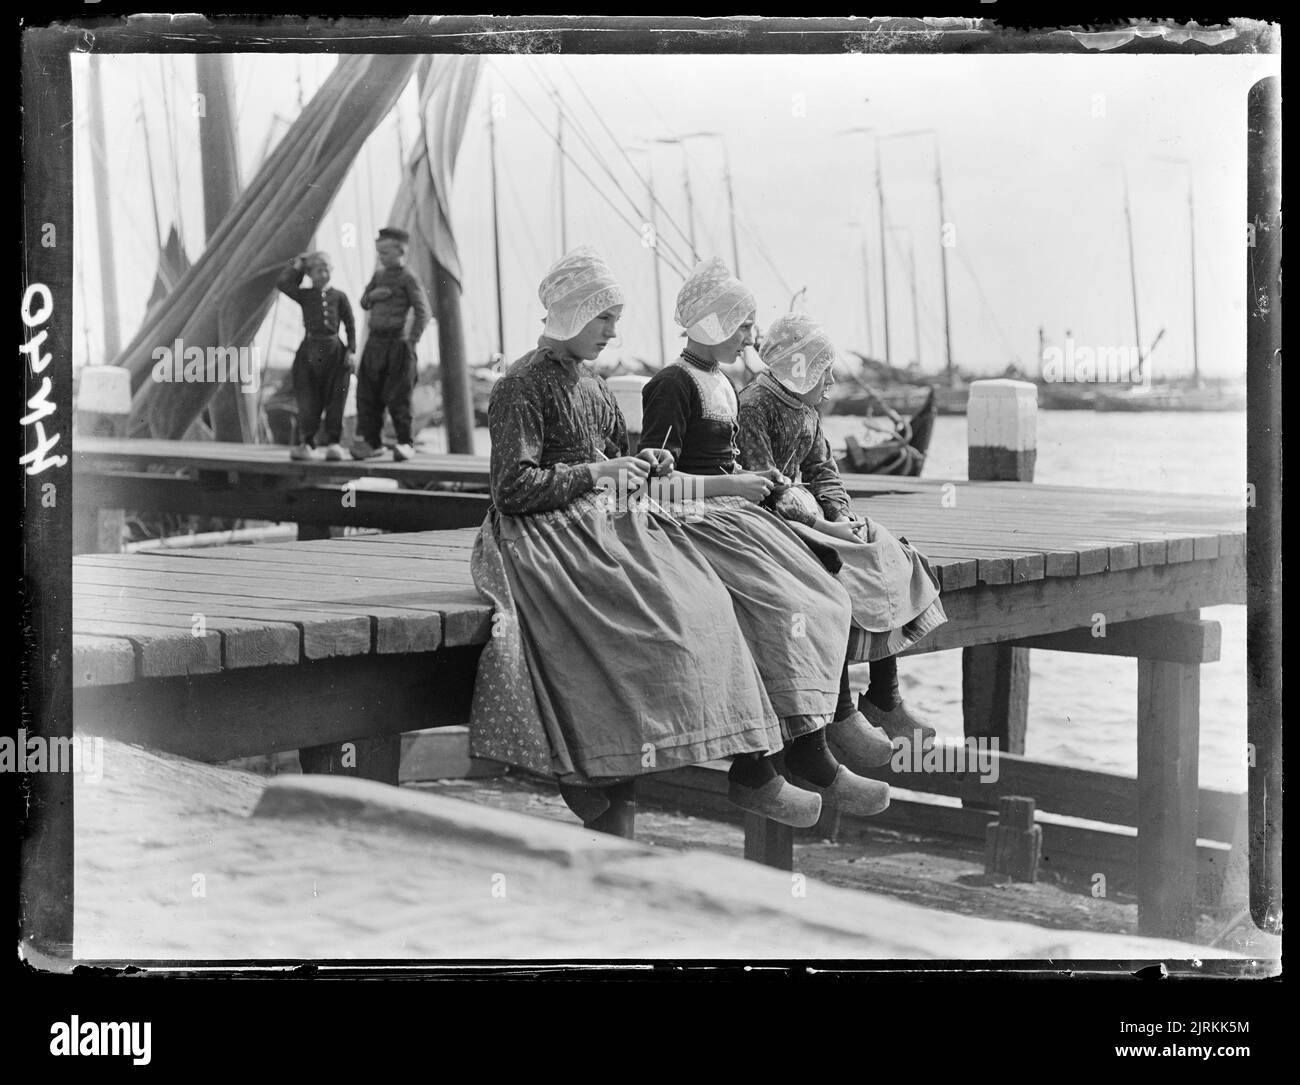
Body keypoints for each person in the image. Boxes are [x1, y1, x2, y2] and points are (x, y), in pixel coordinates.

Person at [467, 246, 808, 837]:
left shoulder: (593, 383)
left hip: (602, 520)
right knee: (640, 623)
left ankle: (748, 762)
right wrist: (599, 474)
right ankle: (593, 767)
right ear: (572, 312)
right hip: (538, 533)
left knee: (705, 601)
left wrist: (638, 460)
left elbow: (608, 458)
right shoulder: (518, 385)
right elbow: (511, 488)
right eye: (604, 318)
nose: (613, 331)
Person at [638, 258, 892, 821]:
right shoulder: (671, 384)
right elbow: (654, 486)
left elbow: (733, 463)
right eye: (744, 324)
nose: (754, 336)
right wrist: (738, 484)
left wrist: (764, 484)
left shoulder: (722, 382)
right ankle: (773, 763)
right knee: (782, 605)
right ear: (714, 322)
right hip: (692, 522)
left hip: (733, 513)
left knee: (823, 593)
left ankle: (817, 739)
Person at [739, 311, 947, 746]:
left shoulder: (807, 408)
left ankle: (884, 696)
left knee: (883, 547)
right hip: (775, 516)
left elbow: (824, 470)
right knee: (835, 569)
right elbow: (763, 484)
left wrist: (840, 516)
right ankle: (842, 710)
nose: (830, 377)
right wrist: (823, 527)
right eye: (822, 367)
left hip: (813, 513)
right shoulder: (756, 405)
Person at [352, 226, 432, 462]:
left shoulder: (408, 277)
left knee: (399, 397)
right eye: (379, 253)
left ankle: (406, 442)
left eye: (385, 253)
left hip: (397, 344)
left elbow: (423, 311)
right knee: (367, 395)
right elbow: (364, 302)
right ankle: (372, 443)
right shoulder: (378, 276)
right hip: (374, 344)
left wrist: (412, 340)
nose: (381, 258)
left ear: (401, 251)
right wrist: (373, 296)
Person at [275, 251, 355, 461]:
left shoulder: (339, 296)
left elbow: (350, 324)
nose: (324, 273)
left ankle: (334, 443)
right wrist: (299, 265)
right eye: (319, 269)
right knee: (308, 399)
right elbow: (284, 284)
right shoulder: (305, 295)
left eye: (327, 269)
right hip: (310, 350)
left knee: (337, 398)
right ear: (311, 273)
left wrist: (351, 350)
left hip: (335, 350)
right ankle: (307, 443)